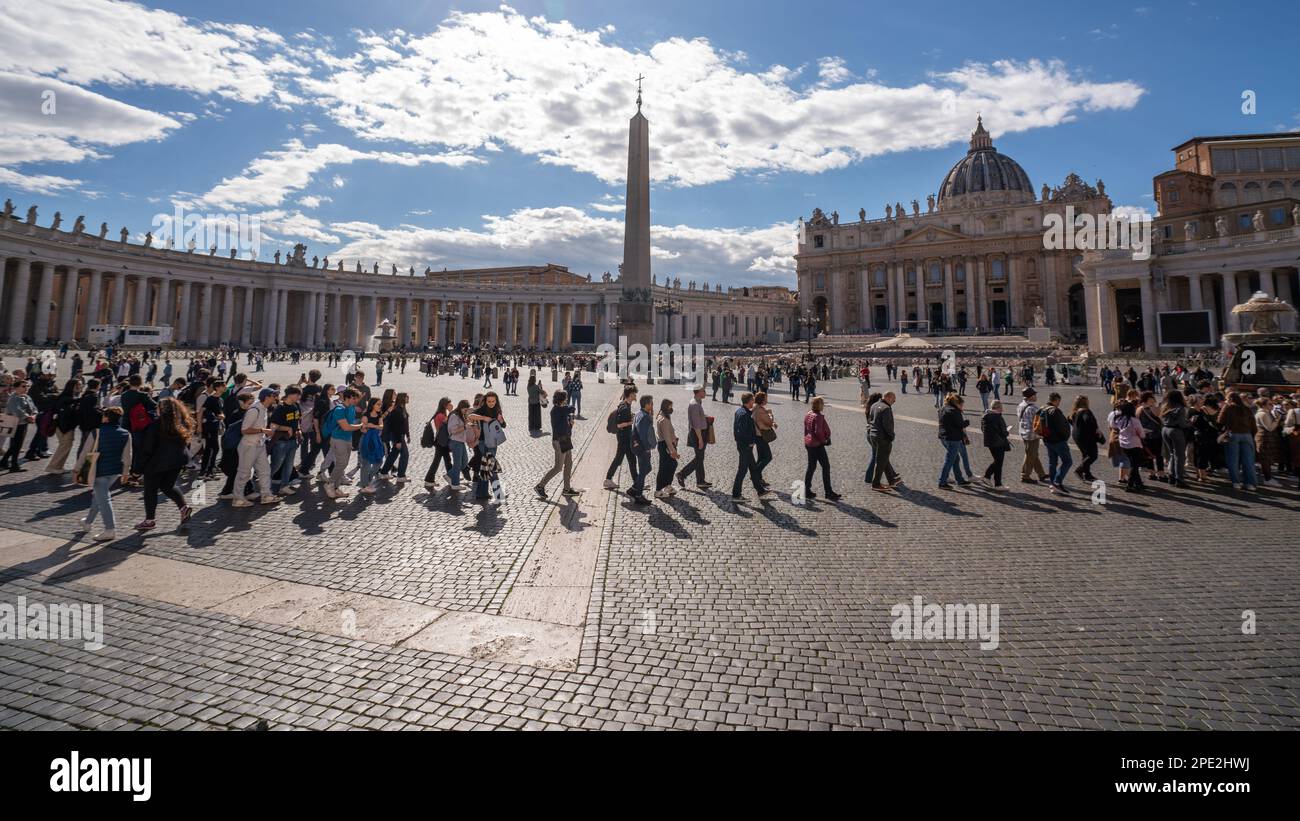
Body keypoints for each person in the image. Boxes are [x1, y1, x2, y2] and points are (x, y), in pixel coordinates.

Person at [134, 397, 195, 530]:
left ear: (161, 410)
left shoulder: (155, 426)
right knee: (168, 486)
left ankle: (150, 520)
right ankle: (184, 508)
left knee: (150, 491)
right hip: (177, 461)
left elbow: (146, 450)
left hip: (156, 464)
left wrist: (137, 469)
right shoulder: (182, 424)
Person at [78, 407, 131, 541]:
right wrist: (126, 472)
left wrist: (76, 469)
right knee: (99, 496)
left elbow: (85, 452)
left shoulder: (96, 432)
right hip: (115, 471)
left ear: (106, 418)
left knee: (104, 499)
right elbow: (127, 456)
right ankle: (88, 521)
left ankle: (110, 529)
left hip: (98, 470)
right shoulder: (125, 433)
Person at [232, 388, 279, 507]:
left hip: (260, 444)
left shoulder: (264, 409)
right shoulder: (254, 410)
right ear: (267, 397)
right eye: (274, 395)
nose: (275, 398)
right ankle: (237, 499)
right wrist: (263, 430)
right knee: (244, 473)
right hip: (249, 446)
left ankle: (266, 495)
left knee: (265, 470)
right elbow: (245, 430)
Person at [535, 390, 581, 498]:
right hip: (559, 441)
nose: (566, 400)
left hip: (566, 440)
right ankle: (540, 486)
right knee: (558, 467)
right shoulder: (556, 410)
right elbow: (572, 408)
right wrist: (568, 419)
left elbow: (565, 427)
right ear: (562, 399)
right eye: (565, 398)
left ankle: (566, 488)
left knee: (569, 464)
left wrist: (570, 425)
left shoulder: (562, 410)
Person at [731, 393, 769, 501]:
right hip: (745, 447)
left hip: (745, 447)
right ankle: (736, 494)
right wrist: (750, 442)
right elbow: (740, 432)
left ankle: (760, 490)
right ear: (749, 401)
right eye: (753, 400)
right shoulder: (744, 414)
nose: (754, 402)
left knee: (753, 468)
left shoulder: (741, 411)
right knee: (742, 470)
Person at [1217, 392, 1257, 491]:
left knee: (1233, 460)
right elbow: (1254, 425)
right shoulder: (1246, 409)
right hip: (1247, 435)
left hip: (1232, 434)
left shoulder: (1228, 407)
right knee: (1248, 461)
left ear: (1230, 399)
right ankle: (1250, 484)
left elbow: (1220, 421)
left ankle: (1236, 482)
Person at [803, 396, 840, 500]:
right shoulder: (818, 416)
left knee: (811, 467)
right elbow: (818, 431)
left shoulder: (808, 414)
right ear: (820, 405)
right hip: (817, 445)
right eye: (822, 403)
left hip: (809, 443)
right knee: (826, 467)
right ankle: (828, 492)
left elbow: (806, 429)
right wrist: (824, 441)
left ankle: (806, 490)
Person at [1109, 399, 1149, 493]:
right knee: (1134, 465)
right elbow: (1142, 434)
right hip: (1134, 444)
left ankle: (1138, 483)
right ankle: (1130, 485)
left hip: (1123, 443)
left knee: (1133, 463)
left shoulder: (1119, 419)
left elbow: (1113, 426)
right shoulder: (1134, 420)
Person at [604, 384, 638, 490]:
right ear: (631, 395)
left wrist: (630, 416)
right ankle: (608, 480)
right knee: (619, 459)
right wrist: (630, 422)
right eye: (635, 393)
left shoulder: (626, 405)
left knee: (631, 459)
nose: (636, 395)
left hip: (626, 437)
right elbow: (619, 425)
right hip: (624, 438)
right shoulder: (624, 407)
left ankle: (637, 481)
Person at [866, 392, 901, 491]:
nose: (894, 401)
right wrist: (891, 436)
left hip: (873, 436)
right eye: (894, 399)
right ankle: (876, 483)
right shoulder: (886, 408)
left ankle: (892, 481)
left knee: (883, 459)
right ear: (888, 398)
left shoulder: (874, 405)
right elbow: (888, 426)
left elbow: (870, 419)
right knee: (881, 461)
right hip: (883, 438)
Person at [937, 393, 973, 488]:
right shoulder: (954, 411)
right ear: (957, 403)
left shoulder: (943, 409)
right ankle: (942, 481)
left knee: (955, 459)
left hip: (943, 437)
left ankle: (959, 479)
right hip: (953, 438)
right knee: (949, 460)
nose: (962, 406)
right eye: (961, 405)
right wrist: (966, 422)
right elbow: (959, 424)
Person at [1041, 392, 1073, 494]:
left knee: (1052, 462)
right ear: (1056, 400)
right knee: (1068, 461)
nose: (1059, 403)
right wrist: (1065, 437)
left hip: (1047, 440)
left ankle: (1052, 484)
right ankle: (1057, 481)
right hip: (1058, 441)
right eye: (1059, 401)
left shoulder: (1043, 408)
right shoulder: (1055, 411)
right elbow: (1062, 427)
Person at [2, 381, 37, 472]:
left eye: (27, 386)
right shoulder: (13, 398)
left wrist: (33, 415)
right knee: (16, 445)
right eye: (24, 386)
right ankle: (14, 465)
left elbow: (34, 408)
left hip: (24, 424)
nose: (26, 388)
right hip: (15, 424)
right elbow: (16, 411)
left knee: (16, 445)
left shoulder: (27, 397)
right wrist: (28, 417)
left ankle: (5, 461)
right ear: (16, 388)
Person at [1160, 390, 1192, 488]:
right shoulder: (1180, 408)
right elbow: (1182, 424)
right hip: (1175, 431)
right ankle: (1179, 479)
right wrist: (1190, 423)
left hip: (1165, 429)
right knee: (1180, 456)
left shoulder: (1166, 406)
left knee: (1172, 454)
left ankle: (1172, 476)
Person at [1016, 388, 1048, 484]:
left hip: (1023, 432)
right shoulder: (1034, 408)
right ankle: (1025, 476)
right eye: (1034, 395)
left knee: (1033, 454)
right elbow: (1038, 423)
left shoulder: (1020, 405)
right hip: (1032, 435)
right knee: (1031, 455)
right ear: (1031, 396)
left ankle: (1041, 474)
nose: (1036, 396)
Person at [1068, 395, 1103, 483]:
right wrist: (1096, 429)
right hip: (1086, 437)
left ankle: (1087, 474)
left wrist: (1078, 427)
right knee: (1093, 455)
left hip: (1077, 436)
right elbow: (1087, 420)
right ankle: (1079, 470)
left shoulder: (1074, 411)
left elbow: (1069, 420)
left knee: (1085, 455)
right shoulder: (1085, 411)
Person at [378, 392, 411, 483]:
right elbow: (395, 427)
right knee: (405, 455)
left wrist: (407, 435)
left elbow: (405, 424)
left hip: (401, 435)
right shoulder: (397, 410)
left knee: (393, 454)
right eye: (407, 397)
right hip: (397, 436)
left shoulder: (402, 409)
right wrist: (397, 441)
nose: (408, 398)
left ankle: (384, 472)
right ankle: (401, 475)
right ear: (402, 398)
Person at [628, 395, 656, 504]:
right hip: (642, 448)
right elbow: (644, 435)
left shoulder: (640, 413)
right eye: (651, 403)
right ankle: (638, 495)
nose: (652, 405)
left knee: (647, 468)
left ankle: (634, 489)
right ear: (647, 404)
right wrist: (646, 448)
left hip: (638, 446)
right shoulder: (644, 417)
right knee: (644, 470)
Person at [423, 397, 453, 490]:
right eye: (449, 404)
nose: (451, 405)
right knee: (437, 461)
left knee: (447, 460)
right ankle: (429, 480)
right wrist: (451, 411)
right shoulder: (441, 416)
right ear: (445, 405)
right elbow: (449, 425)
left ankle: (451, 477)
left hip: (440, 441)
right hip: (441, 442)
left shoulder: (441, 414)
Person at [980, 399, 1010, 490]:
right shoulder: (998, 417)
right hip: (998, 442)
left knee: (997, 461)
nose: (1002, 409)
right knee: (998, 462)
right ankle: (995, 482)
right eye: (1001, 407)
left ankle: (990, 478)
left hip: (989, 442)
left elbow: (983, 429)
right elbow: (1003, 432)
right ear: (998, 407)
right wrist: (1007, 432)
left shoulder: (985, 416)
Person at [654, 398, 679, 499]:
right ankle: (658, 490)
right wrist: (673, 451)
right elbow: (667, 437)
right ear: (666, 407)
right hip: (665, 445)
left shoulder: (664, 416)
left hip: (666, 444)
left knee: (671, 465)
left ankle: (667, 486)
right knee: (664, 467)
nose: (671, 408)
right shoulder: (663, 419)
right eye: (670, 406)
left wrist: (675, 437)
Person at [752, 391, 776, 492]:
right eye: (766, 398)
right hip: (761, 436)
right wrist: (770, 414)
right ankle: (755, 474)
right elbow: (769, 422)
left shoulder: (755, 407)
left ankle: (759, 478)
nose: (767, 400)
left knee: (761, 457)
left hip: (757, 435)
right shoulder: (761, 410)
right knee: (768, 457)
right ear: (762, 400)